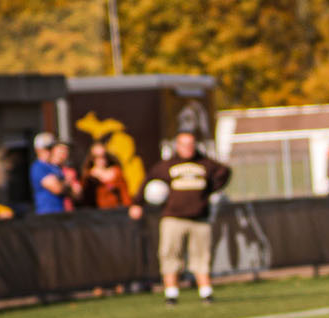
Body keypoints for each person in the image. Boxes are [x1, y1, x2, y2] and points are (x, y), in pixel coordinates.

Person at [130, 130, 232, 305]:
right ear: (177, 146)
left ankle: (206, 292)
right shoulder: (167, 165)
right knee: (169, 255)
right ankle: (171, 294)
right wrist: (138, 203)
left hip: (199, 217)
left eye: (191, 144)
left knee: (201, 256)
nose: (188, 148)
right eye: (184, 144)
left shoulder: (204, 163)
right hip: (173, 217)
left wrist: (210, 189)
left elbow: (225, 171)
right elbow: (148, 180)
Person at [30, 133, 71, 215]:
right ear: (38, 150)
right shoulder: (38, 167)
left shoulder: (55, 167)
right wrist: (67, 183)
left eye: (51, 148)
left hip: (60, 211)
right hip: (47, 213)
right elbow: (57, 189)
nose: (49, 151)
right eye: (47, 148)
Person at [82, 142, 132, 208]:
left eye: (103, 156)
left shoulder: (116, 171)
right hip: (96, 214)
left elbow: (125, 194)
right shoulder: (89, 176)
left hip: (115, 212)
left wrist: (129, 208)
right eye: (96, 157)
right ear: (92, 158)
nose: (100, 160)